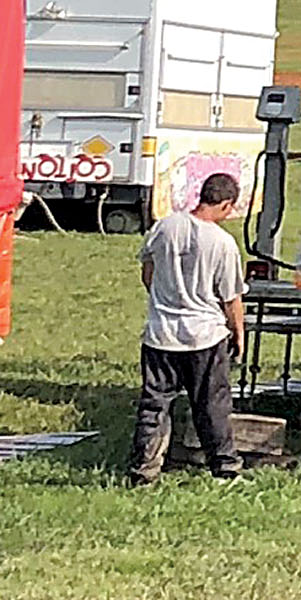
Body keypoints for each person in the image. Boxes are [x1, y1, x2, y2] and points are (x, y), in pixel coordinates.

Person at [129, 170, 247, 485]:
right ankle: (224, 469)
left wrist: (164, 301)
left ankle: (144, 471)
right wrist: (239, 333)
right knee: (212, 405)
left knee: (155, 405)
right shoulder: (223, 242)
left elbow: (148, 272)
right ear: (225, 204)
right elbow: (231, 298)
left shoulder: (164, 227)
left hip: (160, 334)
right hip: (205, 336)